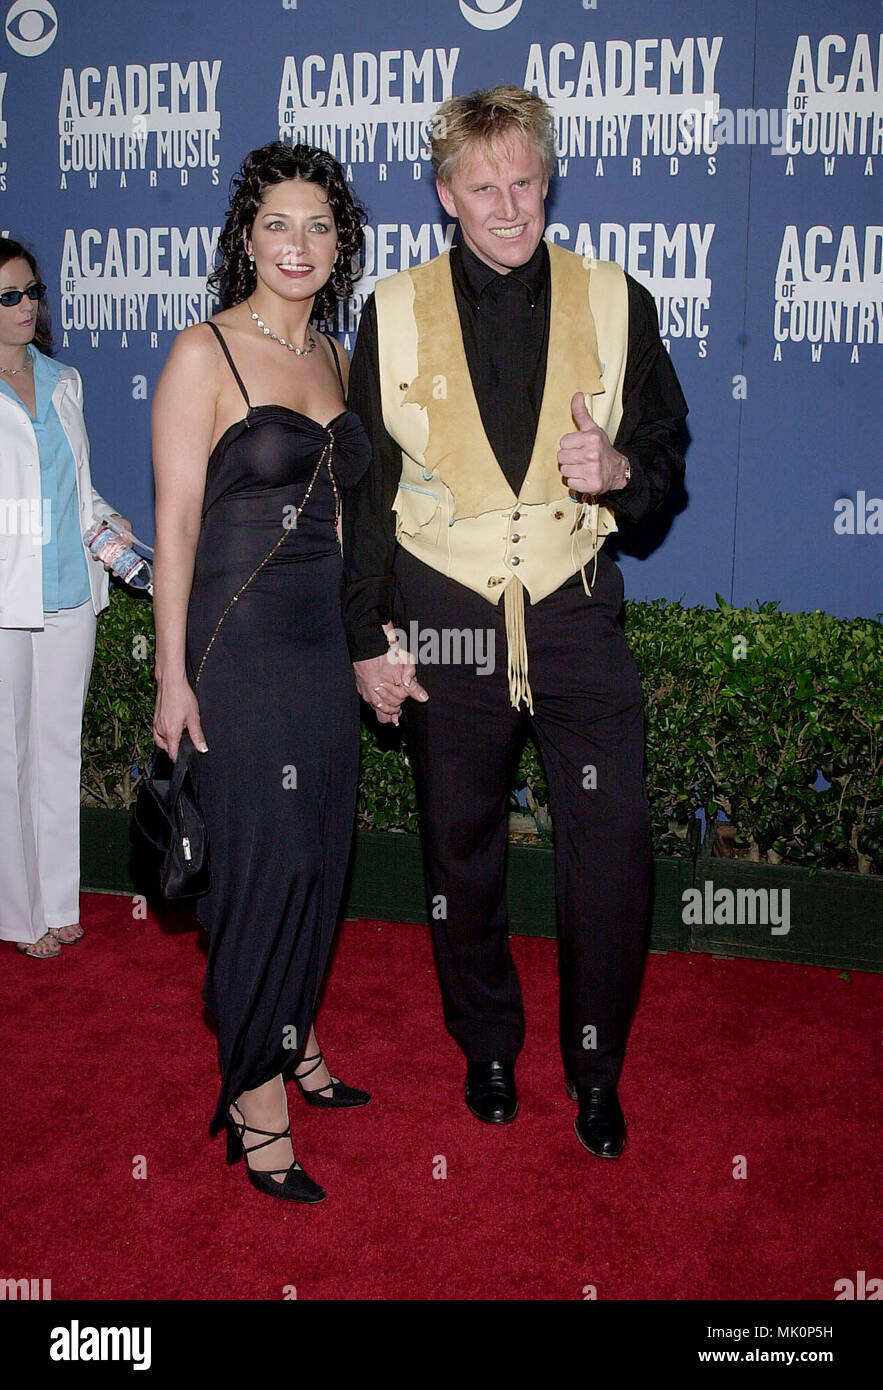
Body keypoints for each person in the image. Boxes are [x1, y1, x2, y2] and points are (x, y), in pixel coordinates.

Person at [343, 88, 688, 1159]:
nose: (507, 206)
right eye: (482, 186)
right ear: (445, 195)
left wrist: (620, 469)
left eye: (523, 182)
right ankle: (487, 1044)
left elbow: (665, 455)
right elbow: (362, 490)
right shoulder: (390, 310)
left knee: (613, 847)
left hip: (573, 604)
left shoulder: (617, 298)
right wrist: (368, 637)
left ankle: (596, 1065)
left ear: (549, 181)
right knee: (461, 847)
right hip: (443, 609)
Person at [151, 143, 372, 1204]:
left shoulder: (335, 355)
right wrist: (170, 675)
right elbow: (178, 521)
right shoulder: (206, 352)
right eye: (278, 223)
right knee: (260, 860)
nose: (298, 243)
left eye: (318, 226)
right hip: (237, 647)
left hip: (323, 642)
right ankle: (256, 1098)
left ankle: (298, 1037)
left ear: (341, 244)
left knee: (320, 845)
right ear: (246, 236)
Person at [0, 237, 132, 959]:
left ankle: (57, 899)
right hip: (4, 594)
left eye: (32, 291)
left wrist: (106, 521)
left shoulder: (63, 379)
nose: (27, 306)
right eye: (9, 297)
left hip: (71, 590)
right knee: (7, 754)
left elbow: (73, 486)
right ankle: (20, 917)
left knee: (55, 749)